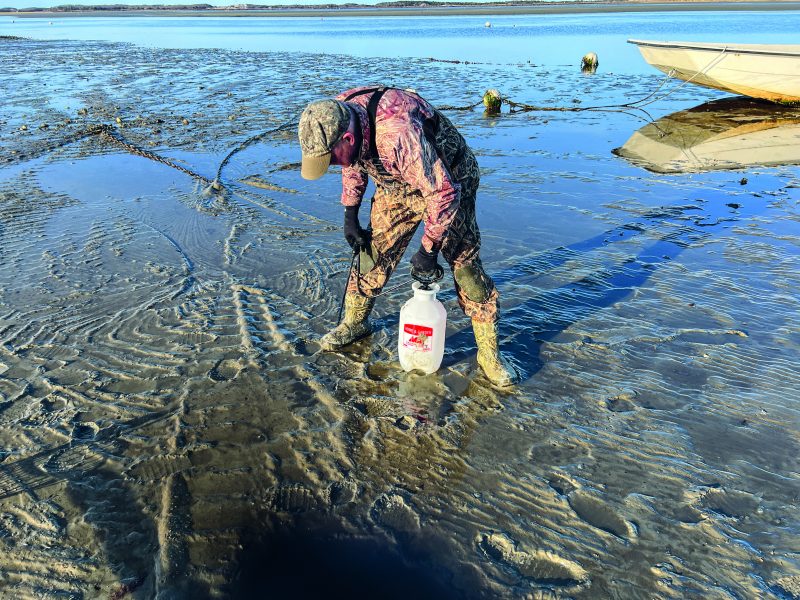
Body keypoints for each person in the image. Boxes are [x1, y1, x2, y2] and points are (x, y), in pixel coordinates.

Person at [298, 86, 517, 387]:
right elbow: (352, 162)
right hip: (397, 186)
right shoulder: (335, 114)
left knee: (466, 270)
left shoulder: (398, 135)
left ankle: (490, 356)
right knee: (369, 255)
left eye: (329, 160)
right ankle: (354, 323)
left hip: (450, 182)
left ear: (346, 138)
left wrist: (429, 251)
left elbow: (443, 193)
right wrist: (351, 214)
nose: (331, 166)